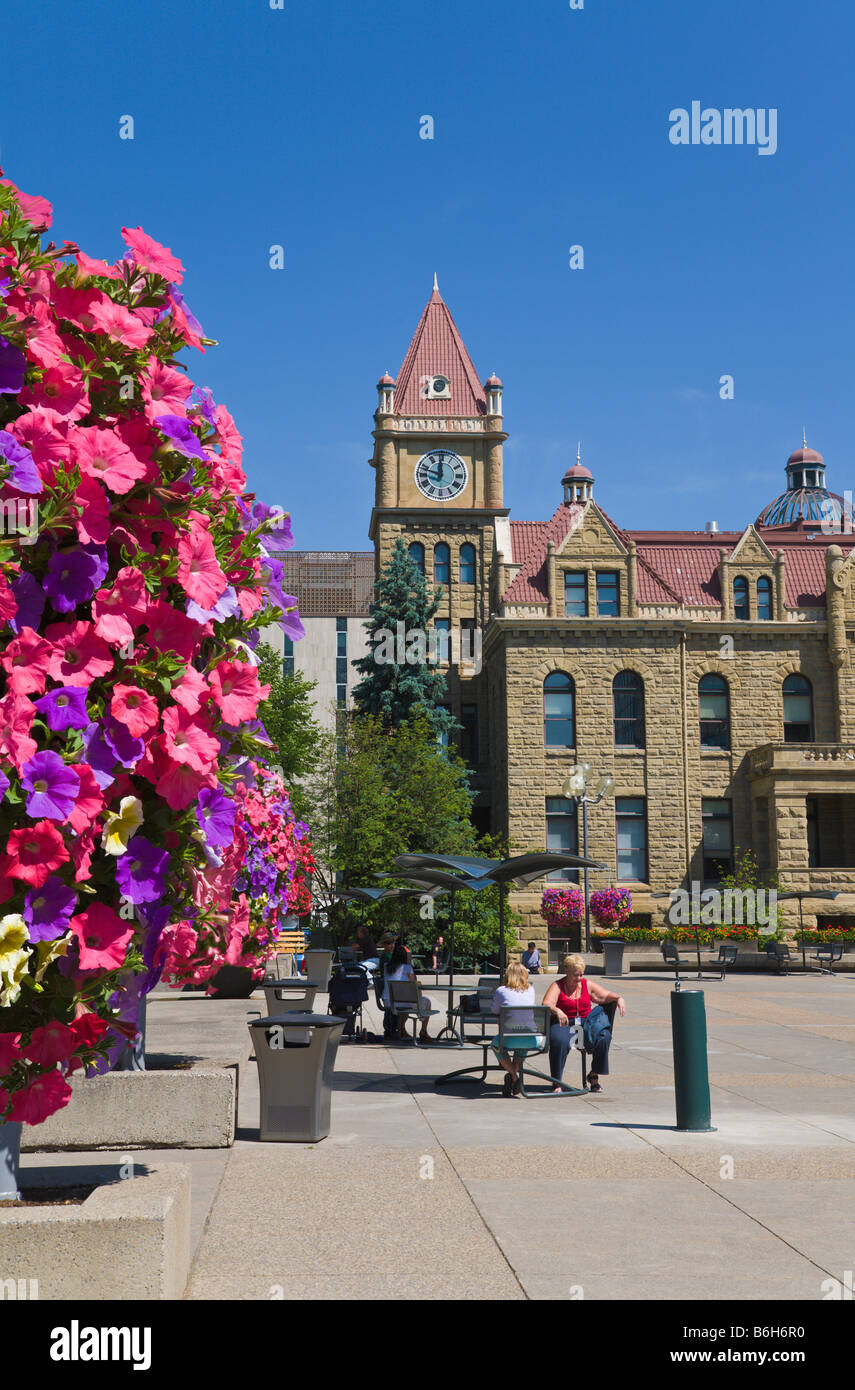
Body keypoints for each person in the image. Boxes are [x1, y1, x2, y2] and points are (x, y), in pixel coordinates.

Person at [543, 954, 625, 1092]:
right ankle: (556, 1081)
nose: (579, 979)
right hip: (565, 1024)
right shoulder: (557, 985)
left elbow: (603, 995)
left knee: (604, 1036)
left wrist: (619, 998)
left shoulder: (587, 984)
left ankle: (594, 1075)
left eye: (581, 974)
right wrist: (557, 1010)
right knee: (559, 1040)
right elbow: (546, 1003)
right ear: (567, 972)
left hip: (585, 1024)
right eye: (576, 975)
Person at [490, 961, 537, 1097]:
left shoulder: (501, 990)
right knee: (521, 1046)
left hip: (508, 1038)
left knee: (495, 1044)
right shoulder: (531, 989)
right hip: (531, 1039)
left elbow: (494, 1010)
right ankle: (512, 1077)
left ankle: (514, 1077)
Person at [381, 941, 432, 1042]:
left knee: (405, 1003)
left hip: (388, 1001)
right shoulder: (408, 968)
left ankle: (401, 1031)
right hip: (403, 1001)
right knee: (427, 1001)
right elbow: (414, 986)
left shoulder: (386, 967)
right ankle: (423, 1031)